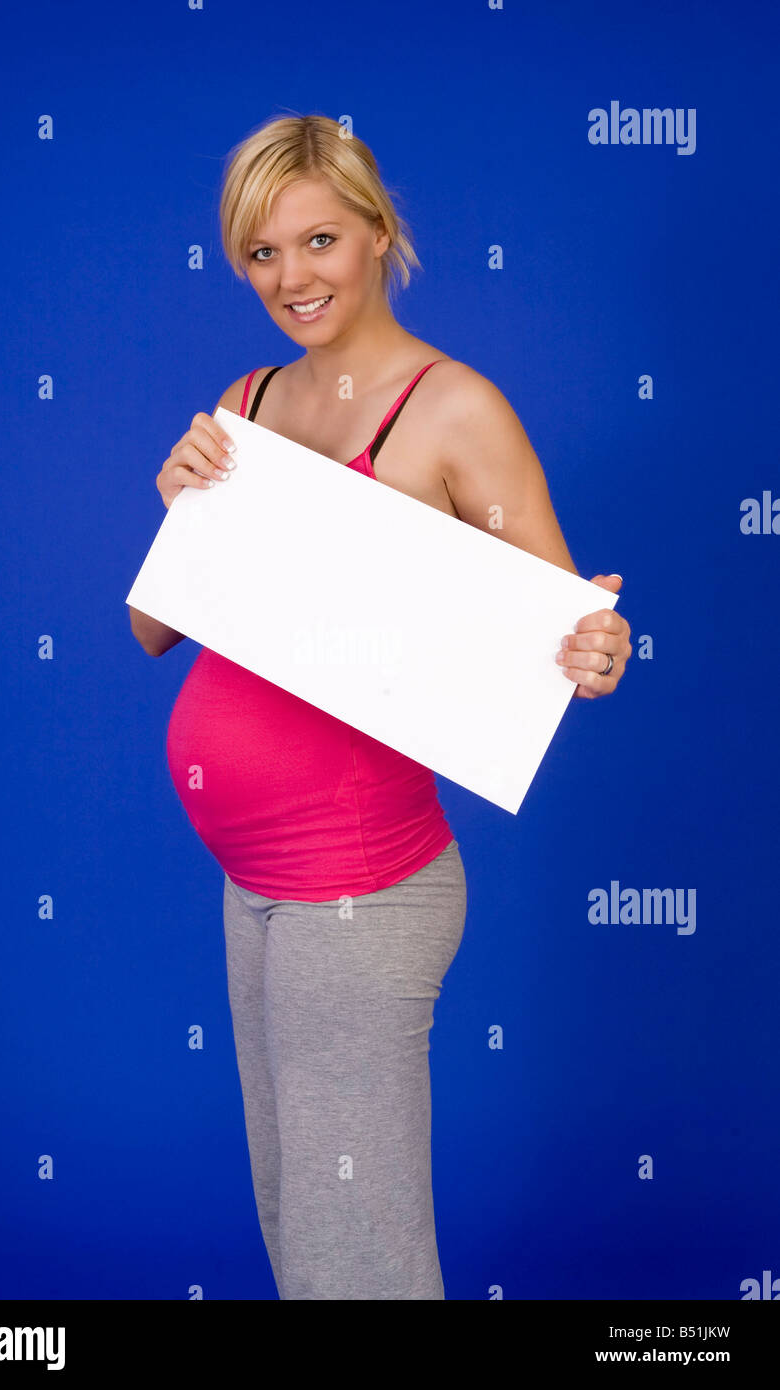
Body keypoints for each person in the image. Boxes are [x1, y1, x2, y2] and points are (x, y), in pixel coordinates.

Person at [129, 114, 632, 1300]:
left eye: (318, 241)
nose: (291, 278)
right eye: (262, 253)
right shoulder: (248, 399)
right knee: (293, 1212)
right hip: (251, 882)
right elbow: (152, 631)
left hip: (356, 887)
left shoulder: (452, 409)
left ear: (375, 232)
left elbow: (563, 640)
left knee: (354, 1248)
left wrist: (598, 647)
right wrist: (175, 500)